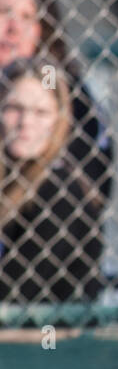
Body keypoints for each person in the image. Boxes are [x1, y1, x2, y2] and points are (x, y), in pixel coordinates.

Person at [0, 0, 114, 210]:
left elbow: (93, 177)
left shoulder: (54, 80)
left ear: (41, 28)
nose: (14, 28)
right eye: (3, 12)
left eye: (27, 17)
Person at [0, 58, 104, 301]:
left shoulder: (59, 193)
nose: (26, 123)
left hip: (47, 335)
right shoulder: (13, 179)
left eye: (41, 112)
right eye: (14, 108)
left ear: (59, 119)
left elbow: (14, 295)